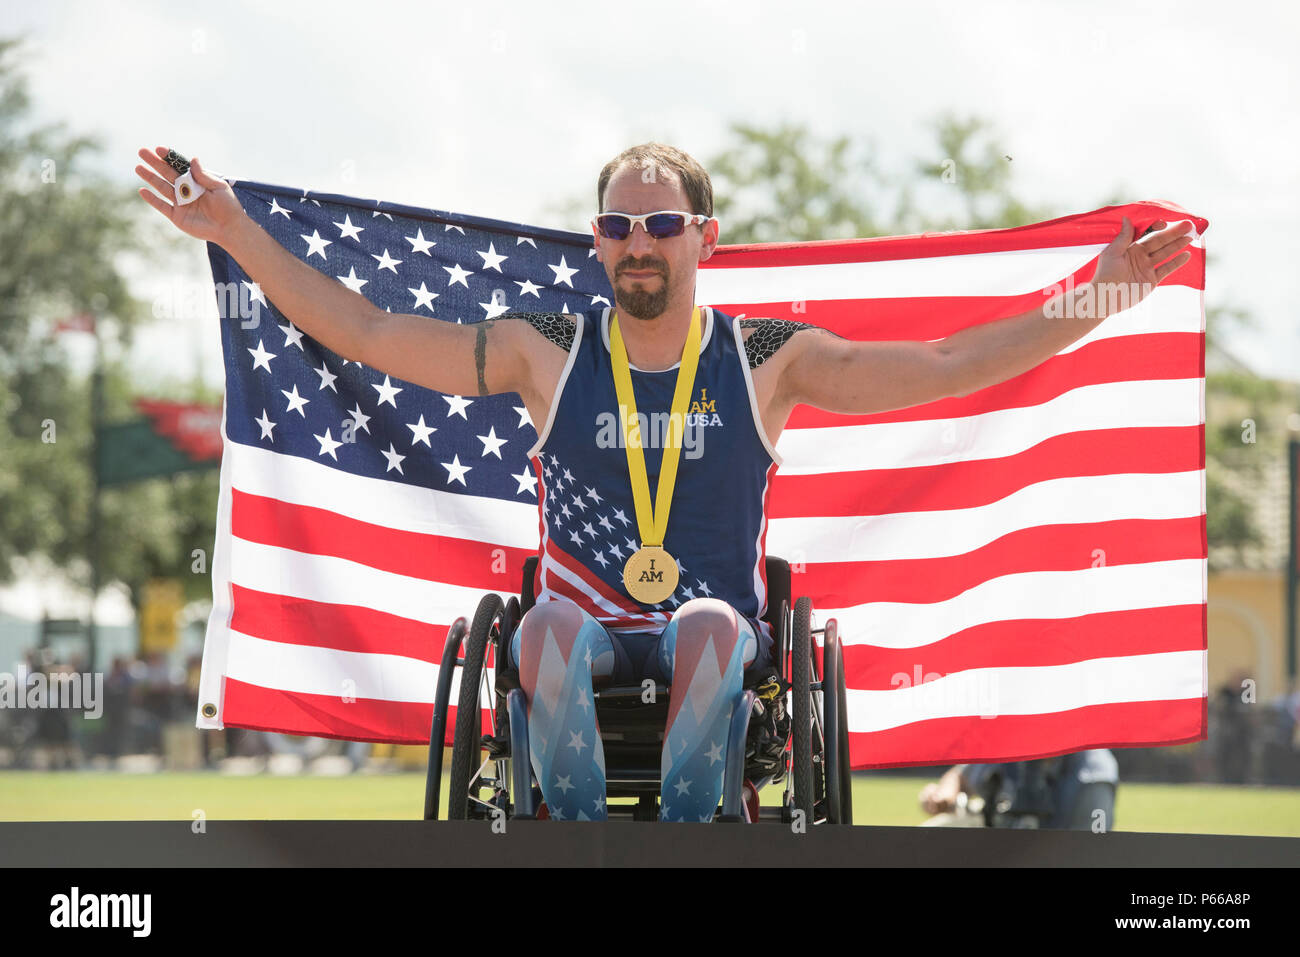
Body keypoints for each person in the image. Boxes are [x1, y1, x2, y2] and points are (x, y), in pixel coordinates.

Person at [134, 141, 1194, 822]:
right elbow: (365, 331)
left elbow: (950, 366)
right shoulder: (541, 346)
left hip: (714, 632)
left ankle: (696, 831)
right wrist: (230, 227)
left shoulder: (768, 355)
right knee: (543, 632)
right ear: (597, 243)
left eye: (657, 225)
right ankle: (583, 847)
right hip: (578, 630)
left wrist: (1095, 295)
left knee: (710, 634)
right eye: (616, 226)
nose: (635, 244)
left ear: (703, 237)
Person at [919, 750, 1119, 830]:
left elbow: (1089, 852)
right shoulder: (1008, 742)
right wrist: (945, 794)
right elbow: (961, 775)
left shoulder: (1093, 776)